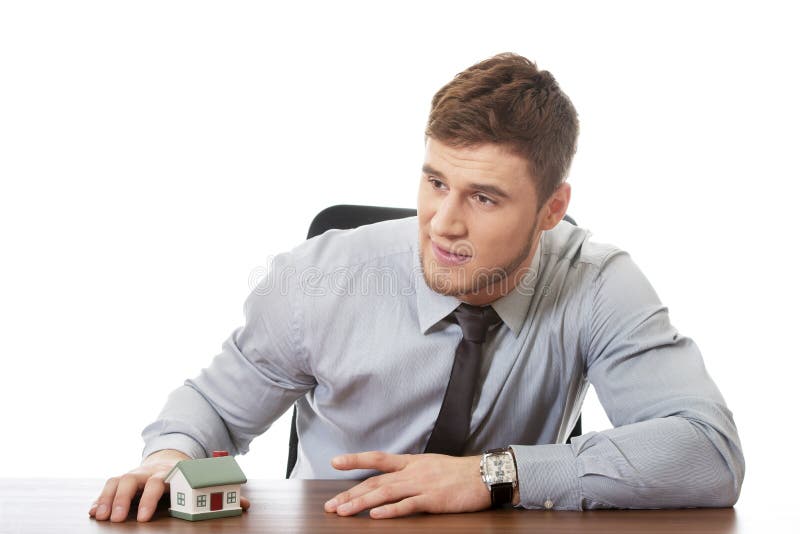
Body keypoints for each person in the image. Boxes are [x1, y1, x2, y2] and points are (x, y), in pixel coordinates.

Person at [89, 53, 744, 523]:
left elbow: (708, 452)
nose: (443, 224)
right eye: (435, 183)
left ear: (552, 208)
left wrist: (495, 475)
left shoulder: (597, 284)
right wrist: (168, 457)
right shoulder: (322, 277)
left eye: (484, 197)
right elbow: (217, 408)